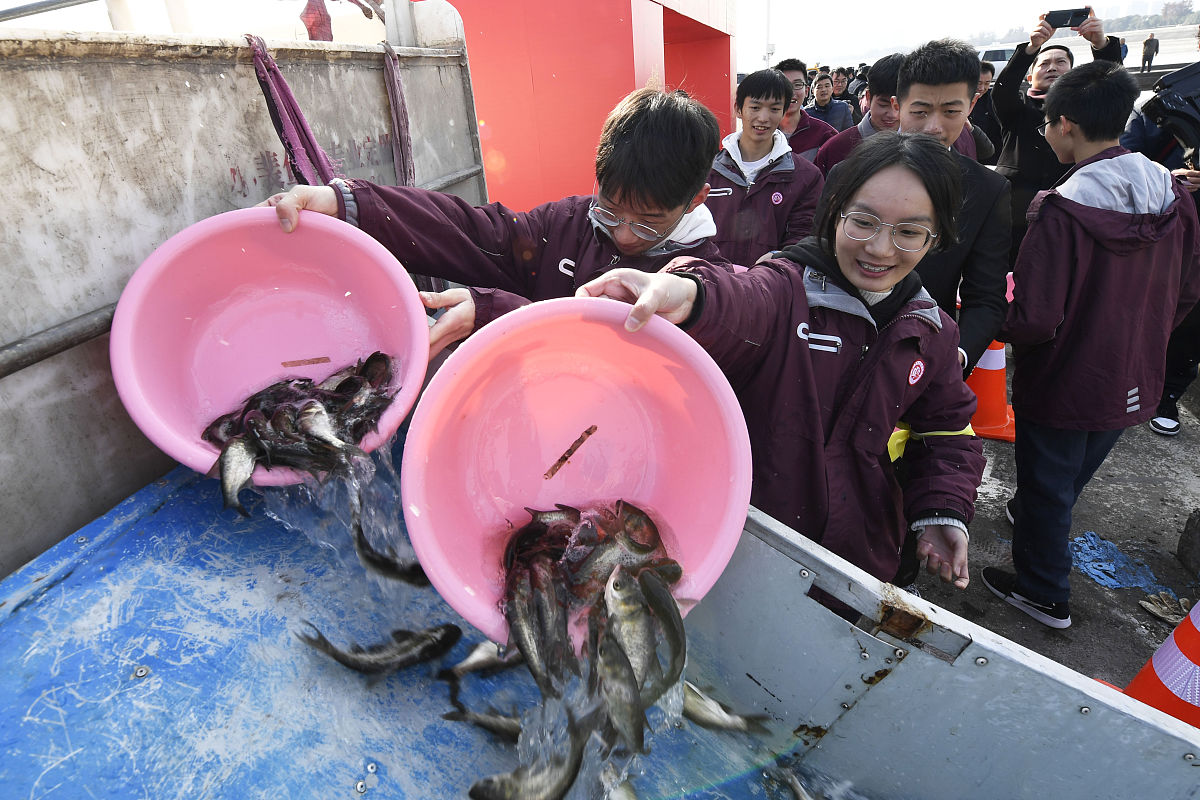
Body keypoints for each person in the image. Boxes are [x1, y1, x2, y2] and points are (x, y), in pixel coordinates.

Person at [577, 133, 986, 593]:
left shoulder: (931, 329)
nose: (880, 249)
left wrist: (943, 509)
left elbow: (949, 432)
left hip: (859, 559)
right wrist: (690, 295)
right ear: (834, 211)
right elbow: (739, 297)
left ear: (936, 238)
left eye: (909, 232)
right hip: (747, 541)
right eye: (863, 222)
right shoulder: (786, 289)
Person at [262, 87, 726, 359]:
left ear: (694, 201)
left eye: (646, 225)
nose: (623, 234)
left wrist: (491, 312)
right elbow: (468, 229)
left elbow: (604, 355)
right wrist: (348, 204)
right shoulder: (563, 223)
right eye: (609, 210)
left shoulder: (703, 285)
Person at [987, 61, 1200, 628]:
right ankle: (1036, 519)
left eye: (1048, 123)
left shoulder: (1062, 208)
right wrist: (1149, 336)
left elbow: (1035, 318)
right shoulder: (1170, 194)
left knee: (1048, 481)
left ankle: (1044, 593)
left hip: (1068, 374)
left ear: (1066, 124)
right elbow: (1189, 287)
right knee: (1071, 472)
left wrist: (992, 319)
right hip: (1137, 369)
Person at [993, 9, 1121, 264]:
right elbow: (1002, 91)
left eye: (1061, 62)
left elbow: (1114, 92)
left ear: (1073, 73)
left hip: (1071, 213)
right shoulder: (1017, 111)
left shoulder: (1086, 111)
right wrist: (1032, 47)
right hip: (1013, 216)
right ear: (1030, 76)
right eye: (1044, 63)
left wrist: (1100, 44)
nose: (1052, 67)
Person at [705, 69, 824, 266]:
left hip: (771, 288)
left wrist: (777, 260)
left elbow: (803, 238)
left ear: (784, 112)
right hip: (710, 286)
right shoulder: (706, 170)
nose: (763, 118)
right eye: (755, 107)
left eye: (774, 109)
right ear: (738, 109)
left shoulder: (806, 177)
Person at [813, 53, 905, 176]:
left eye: (900, 106)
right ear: (868, 97)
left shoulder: (921, 149)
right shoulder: (835, 150)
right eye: (884, 104)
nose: (893, 115)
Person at [775, 58, 837, 161]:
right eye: (784, 85)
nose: (790, 92)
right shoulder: (762, 132)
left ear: (807, 91)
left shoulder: (825, 134)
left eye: (797, 85)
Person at [969, 60, 1002, 165]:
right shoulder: (958, 101)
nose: (982, 88)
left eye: (987, 83)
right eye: (978, 83)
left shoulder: (994, 99)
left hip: (992, 156)